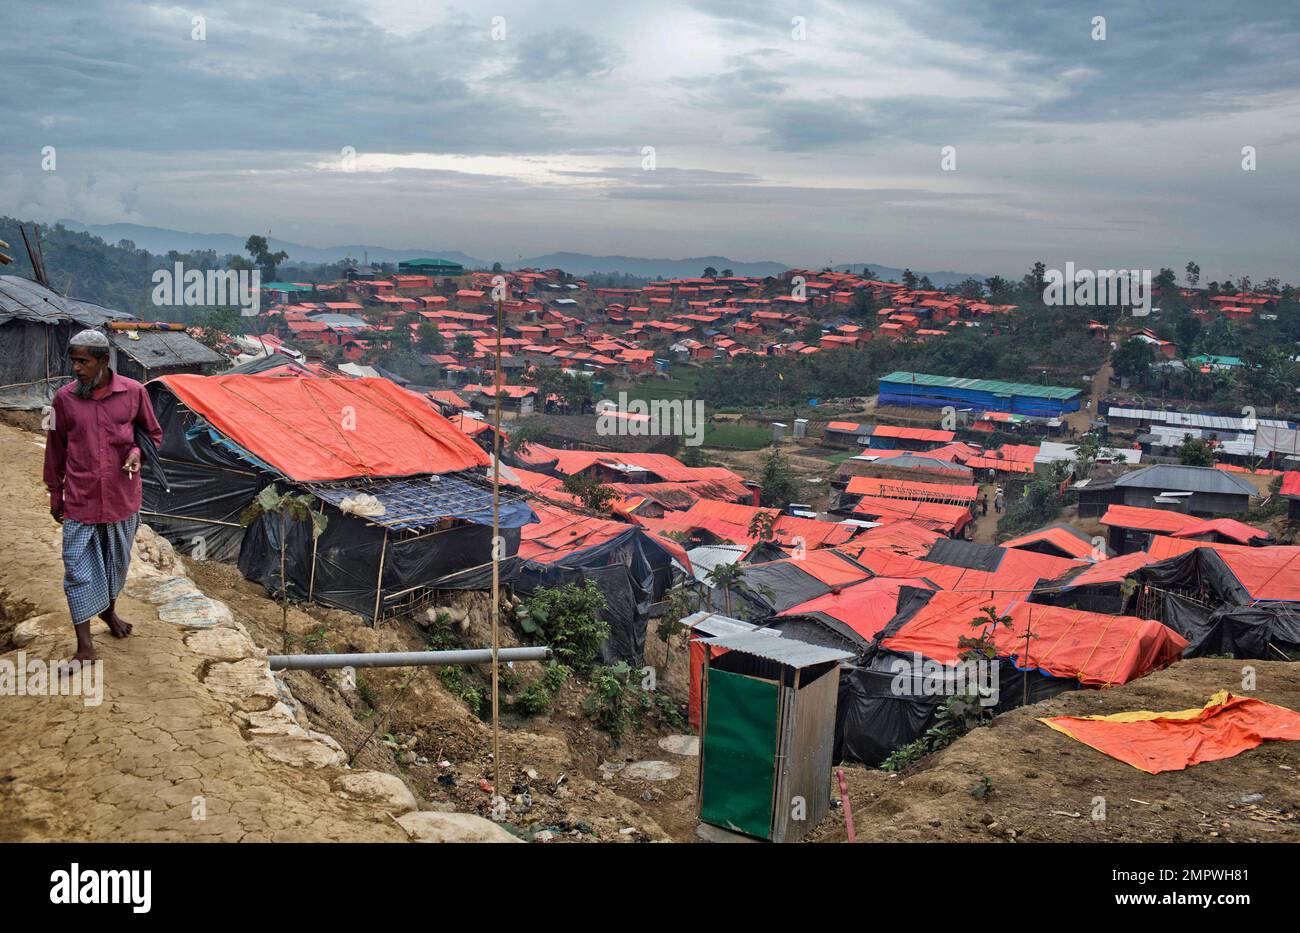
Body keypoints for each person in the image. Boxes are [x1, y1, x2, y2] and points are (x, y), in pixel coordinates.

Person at [43, 329, 163, 662]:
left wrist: (137, 452)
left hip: (121, 497)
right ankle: (84, 645)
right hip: (80, 500)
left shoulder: (135, 393)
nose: (77, 369)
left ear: (104, 361)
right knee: (77, 569)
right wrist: (56, 493)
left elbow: (152, 434)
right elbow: (55, 448)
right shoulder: (64, 400)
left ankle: (109, 613)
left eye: (84, 362)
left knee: (115, 566)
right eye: (74, 361)